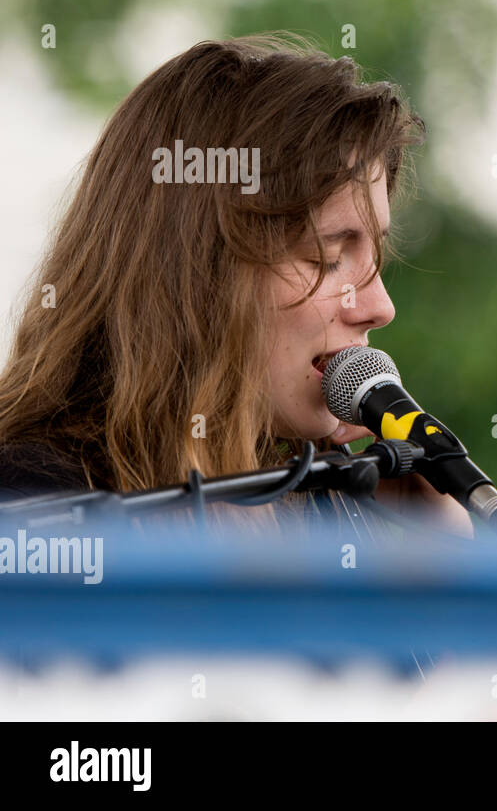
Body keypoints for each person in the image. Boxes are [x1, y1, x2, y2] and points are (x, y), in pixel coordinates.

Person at [0, 33, 472, 538]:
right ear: (196, 275)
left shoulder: (325, 498)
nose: (379, 307)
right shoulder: (32, 509)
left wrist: (444, 554)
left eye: (374, 256)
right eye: (328, 257)